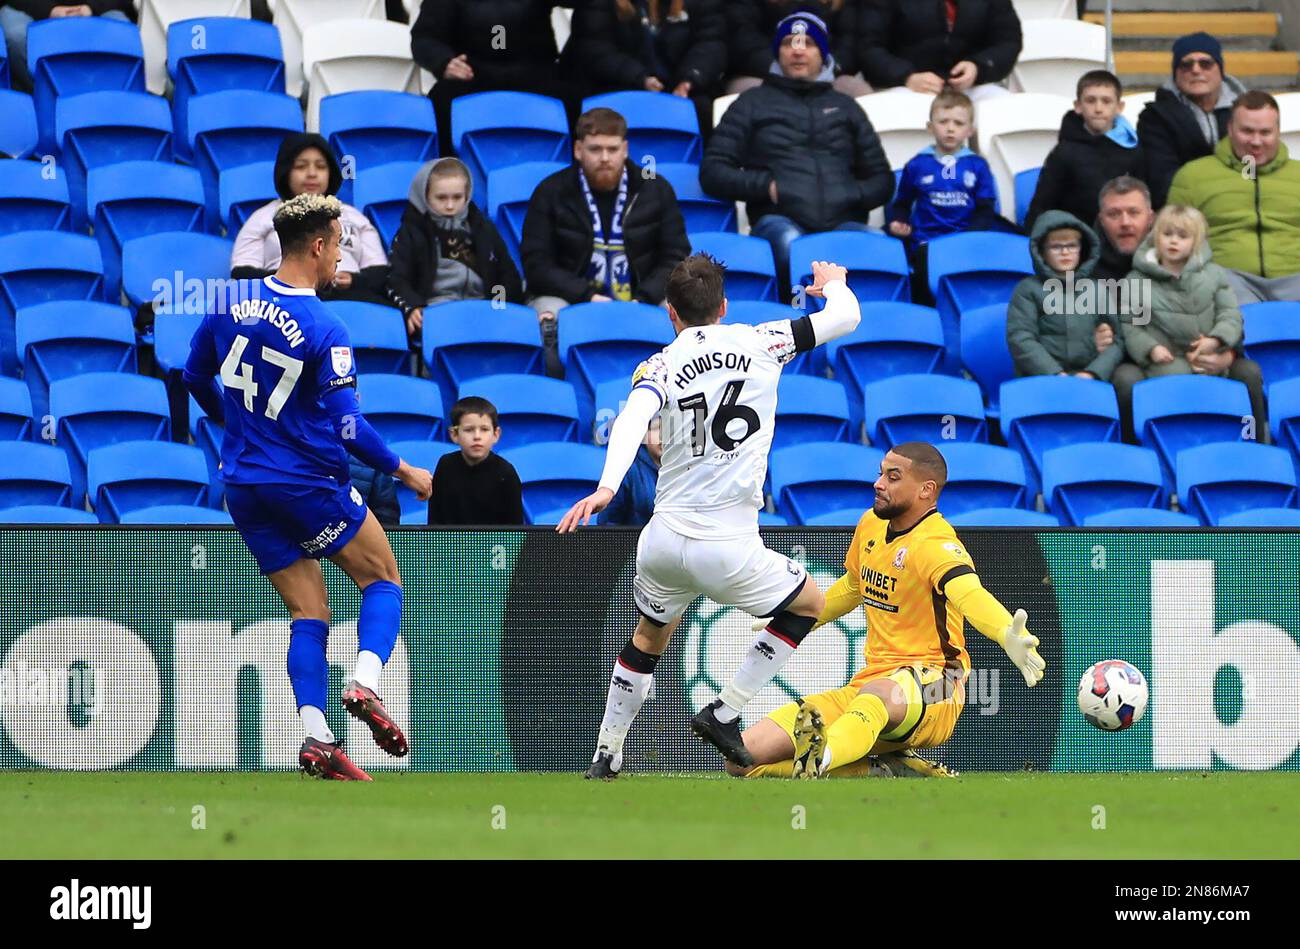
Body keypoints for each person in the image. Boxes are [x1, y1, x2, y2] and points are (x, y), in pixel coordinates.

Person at [556, 253, 862, 779]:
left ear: (670, 313)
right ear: (723, 306)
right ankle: (724, 712)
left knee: (649, 636)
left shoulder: (657, 365)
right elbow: (846, 317)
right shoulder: (763, 341)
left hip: (662, 539)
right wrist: (834, 283)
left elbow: (631, 419)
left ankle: (605, 756)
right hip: (726, 543)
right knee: (808, 604)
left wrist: (607, 486)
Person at [183, 194, 434, 782]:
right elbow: (348, 424)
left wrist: (233, 423)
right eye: (340, 244)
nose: (341, 256)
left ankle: (318, 738)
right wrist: (403, 470)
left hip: (243, 485)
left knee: (308, 610)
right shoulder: (325, 325)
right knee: (383, 579)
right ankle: (365, 683)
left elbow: (192, 374)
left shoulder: (229, 302)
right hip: (306, 482)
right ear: (319, 245)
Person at [728, 442, 1045, 779]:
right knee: (741, 758)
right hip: (872, 683)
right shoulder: (871, 524)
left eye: (893, 477)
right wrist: (796, 614)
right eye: (880, 473)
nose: (879, 483)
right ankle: (873, 766)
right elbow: (853, 587)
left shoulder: (935, 544)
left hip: (940, 685)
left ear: (926, 490)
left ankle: (822, 759)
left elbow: (968, 592)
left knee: (877, 695)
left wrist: (1003, 630)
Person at [700, 11, 892, 296]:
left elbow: (883, 180)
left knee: (883, 247)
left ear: (823, 53)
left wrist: (851, 193)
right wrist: (768, 187)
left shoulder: (846, 106)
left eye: (808, 43)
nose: (798, 50)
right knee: (791, 245)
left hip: (844, 223)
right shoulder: (751, 103)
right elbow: (713, 171)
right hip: (780, 221)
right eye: (789, 42)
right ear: (778, 51)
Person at [521, 107, 690, 371]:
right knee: (549, 314)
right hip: (573, 297)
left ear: (625, 149)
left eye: (612, 149)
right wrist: (586, 296)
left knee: (682, 310)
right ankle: (560, 396)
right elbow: (536, 265)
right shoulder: (551, 191)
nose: (604, 158)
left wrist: (644, 298)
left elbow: (676, 256)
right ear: (578, 150)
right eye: (595, 149)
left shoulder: (655, 189)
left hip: (641, 297)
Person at [1119, 204, 1268, 441]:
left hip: (1212, 359)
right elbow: (1133, 325)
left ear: (1196, 240)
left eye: (1182, 236)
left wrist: (1216, 340)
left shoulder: (1215, 274)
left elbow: (1230, 315)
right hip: (1164, 363)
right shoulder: (1137, 280)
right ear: (1156, 236)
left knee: (1248, 371)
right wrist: (1151, 348)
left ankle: (1256, 443)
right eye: (1167, 234)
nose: (1173, 241)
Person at [1167, 91, 1300, 305]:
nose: (1256, 141)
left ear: (1278, 132)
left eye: (1265, 132)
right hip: (1230, 281)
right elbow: (1171, 242)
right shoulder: (1192, 176)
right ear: (1230, 129)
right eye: (1247, 131)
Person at [230, 133, 390, 307]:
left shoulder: (354, 217)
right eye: (301, 166)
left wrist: (353, 280)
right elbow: (242, 274)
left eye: (321, 167)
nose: (312, 174)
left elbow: (380, 274)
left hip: (349, 302)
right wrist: (293, 278)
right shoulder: (264, 217)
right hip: (284, 303)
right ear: (286, 172)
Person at [410, 0, 581, 159]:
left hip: (535, 74)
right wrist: (444, 62)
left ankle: (571, 178)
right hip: (471, 76)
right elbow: (425, 37)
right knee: (440, 101)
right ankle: (449, 178)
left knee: (573, 97)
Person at [386, 157, 524, 347]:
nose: (450, 205)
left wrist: (498, 305)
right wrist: (413, 306)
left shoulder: (484, 229)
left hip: (484, 309)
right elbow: (396, 278)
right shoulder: (410, 232)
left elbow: (507, 275)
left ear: (467, 195)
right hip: (436, 313)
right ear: (425, 195)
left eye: (457, 197)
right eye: (441, 198)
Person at [886, 90, 1003, 302]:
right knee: (926, 298)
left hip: (965, 245)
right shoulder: (917, 164)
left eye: (958, 123)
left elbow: (986, 209)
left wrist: (970, 238)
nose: (950, 128)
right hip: (925, 244)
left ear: (970, 130)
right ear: (930, 127)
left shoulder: (977, 165)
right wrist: (899, 222)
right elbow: (901, 203)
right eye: (943, 121)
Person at [559, 0, 727, 138]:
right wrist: (640, 78)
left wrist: (689, 80)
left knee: (701, 108)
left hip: (680, 88)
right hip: (617, 84)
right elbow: (595, 49)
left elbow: (711, 43)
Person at [1006, 209, 1125, 385]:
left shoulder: (1097, 289)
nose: (1065, 252)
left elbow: (1117, 341)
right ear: (1041, 252)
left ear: (1081, 249)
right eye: (1056, 246)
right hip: (1041, 379)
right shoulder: (1027, 290)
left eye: (1072, 245)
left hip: (1088, 377)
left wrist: (1093, 372)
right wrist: (1054, 373)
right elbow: (1021, 338)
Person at [1026, 70, 1145, 232]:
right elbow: (1042, 207)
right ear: (1078, 106)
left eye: (1106, 101)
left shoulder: (1134, 150)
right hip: (1076, 242)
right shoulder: (1063, 153)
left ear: (1119, 107)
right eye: (1090, 101)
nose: (1098, 108)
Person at [1137, 32, 1246, 209]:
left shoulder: (1246, 112)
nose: (1196, 70)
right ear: (1175, 74)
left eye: (1206, 63)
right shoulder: (1154, 118)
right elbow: (1164, 180)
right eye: (1186, 65)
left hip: (1240, 206)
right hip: (1182, 213)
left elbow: (1253, 164)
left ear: (1220, 70)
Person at [855, 0, 1021, 100]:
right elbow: (868, 47)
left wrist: (978, 67)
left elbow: (1008, 41)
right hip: (908, 88)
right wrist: (907, 77)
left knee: (1004, 109)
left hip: (972, 87)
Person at [724, 0, 867, 98]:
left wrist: (826, 69)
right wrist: (786, 69)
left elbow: (848, 41)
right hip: (762, 73)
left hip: (825, 73)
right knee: (748, 93)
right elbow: (744, 40)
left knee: (857, 91)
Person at [427, 396, 524, 526]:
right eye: (469, 430)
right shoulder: (445, 465)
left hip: (494, 546)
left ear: (496, 434)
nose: (477, 436)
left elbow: (515, 531)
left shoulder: (506, 473)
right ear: (454, 434)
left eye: (484, 429)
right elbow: (435, 521)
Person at [0, 1, 134, 92]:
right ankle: (48, 94)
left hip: (95, 8)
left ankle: (105, 97)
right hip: (32, 6)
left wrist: (91, 7)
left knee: (122, 31)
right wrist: (50, 10)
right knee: (15, 35)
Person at [596, 416, 661, 526]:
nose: (664, 435)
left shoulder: (689, 468)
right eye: (657, 428)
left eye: (671, 427)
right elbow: (608, 524)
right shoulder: (626, 469)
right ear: (644, 433)